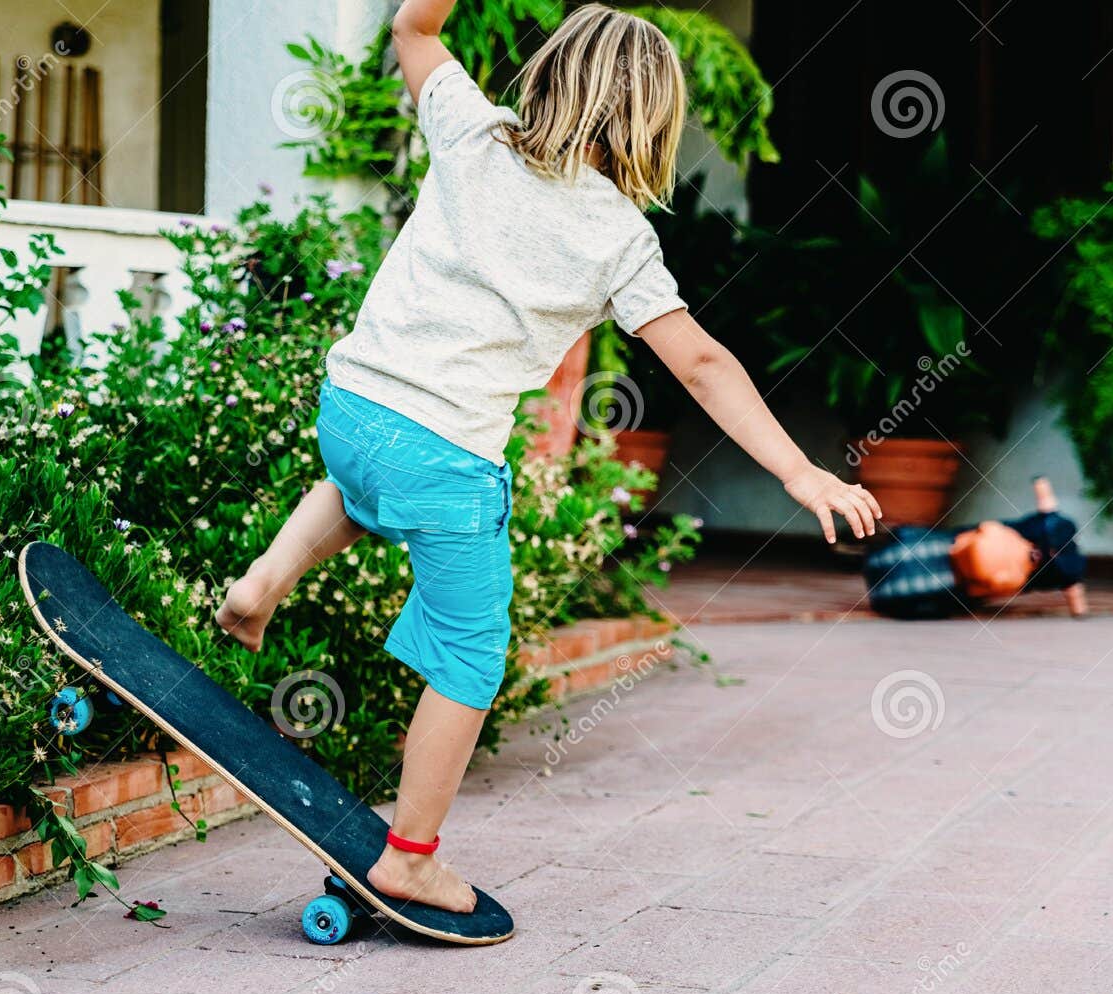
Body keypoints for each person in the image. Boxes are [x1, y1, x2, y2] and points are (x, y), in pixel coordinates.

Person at [218, 1, 881, 913]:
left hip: (354, 407)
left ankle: (263, 581)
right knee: (468, 657)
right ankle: (409, 856)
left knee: (358, 484)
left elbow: (413, 29)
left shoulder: (472, 130)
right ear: (651, 121)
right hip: (445, 459)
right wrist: (798, 471)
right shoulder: (619, 238)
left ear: (551, 74)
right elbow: (699, 361)